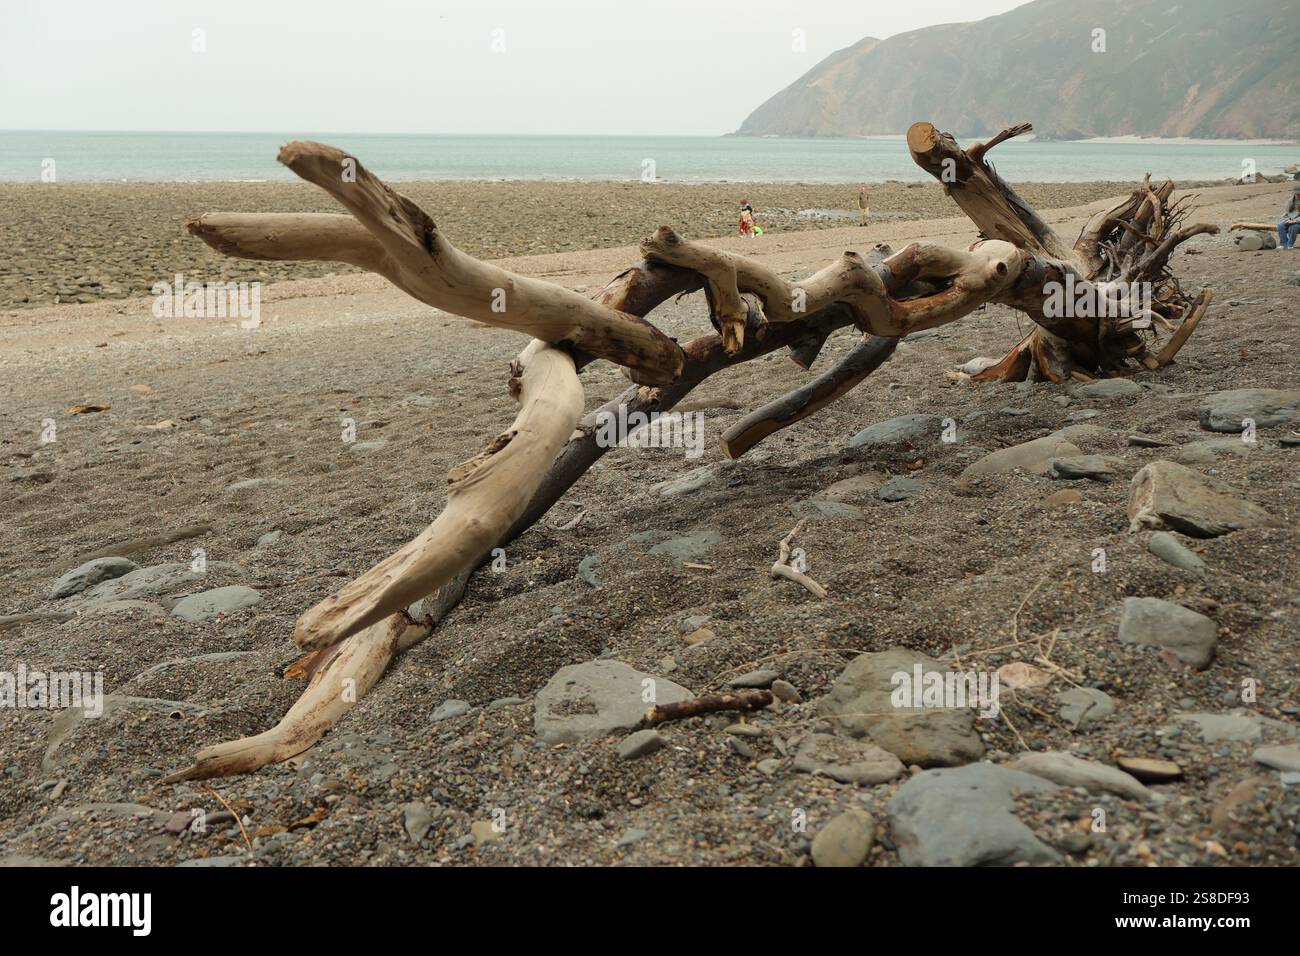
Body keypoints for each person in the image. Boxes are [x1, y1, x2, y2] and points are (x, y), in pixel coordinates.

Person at [1278, 183, 1300, 249]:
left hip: (1298, 222)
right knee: (1280, 226)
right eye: (1296, 193)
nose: (1297, 195)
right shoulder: (1289, 201)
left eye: (1299, 193)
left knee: (1294, 227)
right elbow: (1285, 214)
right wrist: (1287, 220)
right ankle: (1283, 244)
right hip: (1290, 221)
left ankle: (1290, 244)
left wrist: (1295, 220)